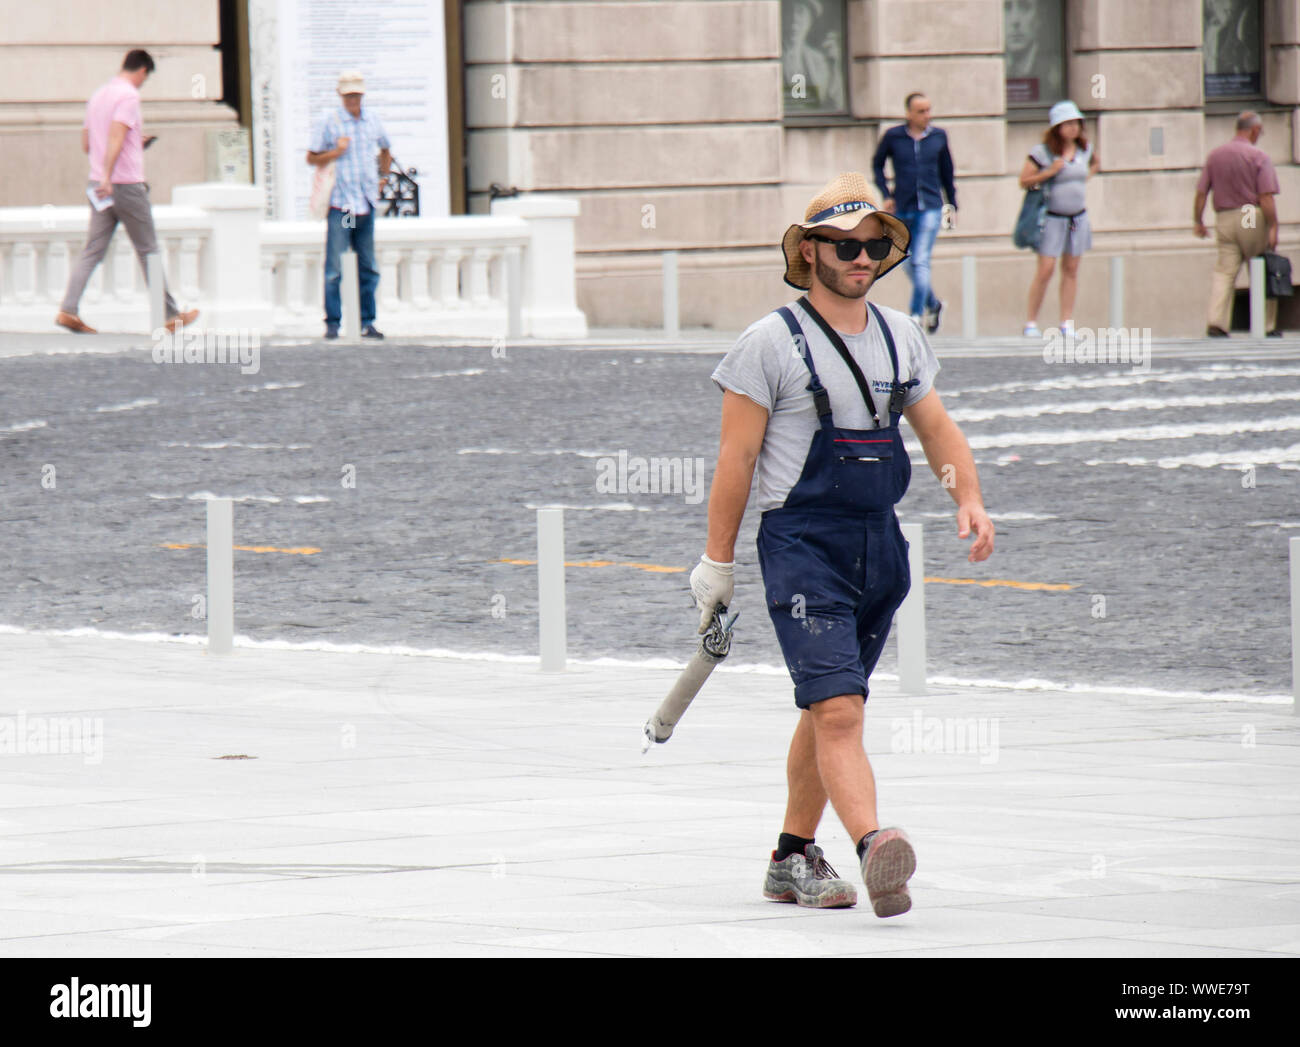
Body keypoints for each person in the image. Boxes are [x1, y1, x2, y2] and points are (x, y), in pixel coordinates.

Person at [691, 173, 995, 916]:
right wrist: (716, 562)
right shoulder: (768, 344)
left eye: (872, 246)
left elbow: (935, 429)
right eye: (846, 245)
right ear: (812, 251)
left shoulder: (901, 335)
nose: (862, 258)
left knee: (834, 705)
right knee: (837, 711)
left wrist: (969, 496)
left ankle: (791, 858)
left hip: (879, 546)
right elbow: (735, 461)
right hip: (801, 546)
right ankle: (873, 845)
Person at [56, 49, 198, 335]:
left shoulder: (98, 95)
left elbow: (88, 144)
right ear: (143, 71)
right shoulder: (129, 97)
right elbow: (117, 135)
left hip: (98, 185)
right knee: (148, 249)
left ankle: (68, 310)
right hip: (124, 184)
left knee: (92, 250)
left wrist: (107, 171)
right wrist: (110, 174)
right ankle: (169, 315)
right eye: (146, 76)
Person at [307, 71, 392, 340]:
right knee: (335, 266)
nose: (353, 99)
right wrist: (336, 152)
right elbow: (312, 157)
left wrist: (383, 178)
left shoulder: (372, 120)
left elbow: (386, 148)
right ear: (341, 96)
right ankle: (333, 322)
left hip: (365, 201)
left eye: (356, 94)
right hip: (342, 204)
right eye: (349, 95)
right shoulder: (329, 122)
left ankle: (368, 321)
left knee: (368, 265)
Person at [872, 92, 957, 332]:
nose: (926, 115)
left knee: (921, 260)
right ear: (909, 113)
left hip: (931, 206)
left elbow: (947, 174)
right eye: (921, 111)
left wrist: (952, 205)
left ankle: (916, 316)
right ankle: (934, 304)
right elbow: (877, 165)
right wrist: (886, 194)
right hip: (904, 206)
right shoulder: (894, 137)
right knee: (907, 261)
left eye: (929, 110)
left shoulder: (938, 137)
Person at [1194, 111, 1280, 336]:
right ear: (1254, 130)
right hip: (1250, 213)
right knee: (1261, 265)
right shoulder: (1259, 156)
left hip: (1224, 217)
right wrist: (1273, 226)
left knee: (1224, 272)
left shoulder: (1215, 155)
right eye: (1260, 131)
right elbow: (1266, 196)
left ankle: (1216, 322)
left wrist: (1198, 221)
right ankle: (1265, 325)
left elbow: (1201, 192)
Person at [1019, 100, 1100, 338]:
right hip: (1052, 218)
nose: (1073, 128)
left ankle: (1066, 321)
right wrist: (1049, 173)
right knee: (1046, 269)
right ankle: (1031, 321)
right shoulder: (1042, 152)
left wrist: (1084, 179)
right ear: (1057, 127)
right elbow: (1025, 180)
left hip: (1077, 218)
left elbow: (1095, 163)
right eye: (1067, 124)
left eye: (1076, 123)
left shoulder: (1085, 150)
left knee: (1072, 269)